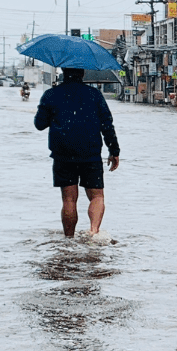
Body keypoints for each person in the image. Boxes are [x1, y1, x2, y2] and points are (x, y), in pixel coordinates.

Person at [34, 67, 120, 238]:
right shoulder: (94, 95)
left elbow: (39, 124)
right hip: (90, 152)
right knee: (97, 196)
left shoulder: (51, 95)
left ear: (63, 72)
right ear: (83, 73)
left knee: (69, 199)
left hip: (63, 153)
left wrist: (54, 112)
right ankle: (94, 232)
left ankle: (69, 240)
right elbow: (107, 124)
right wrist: (114, 150)